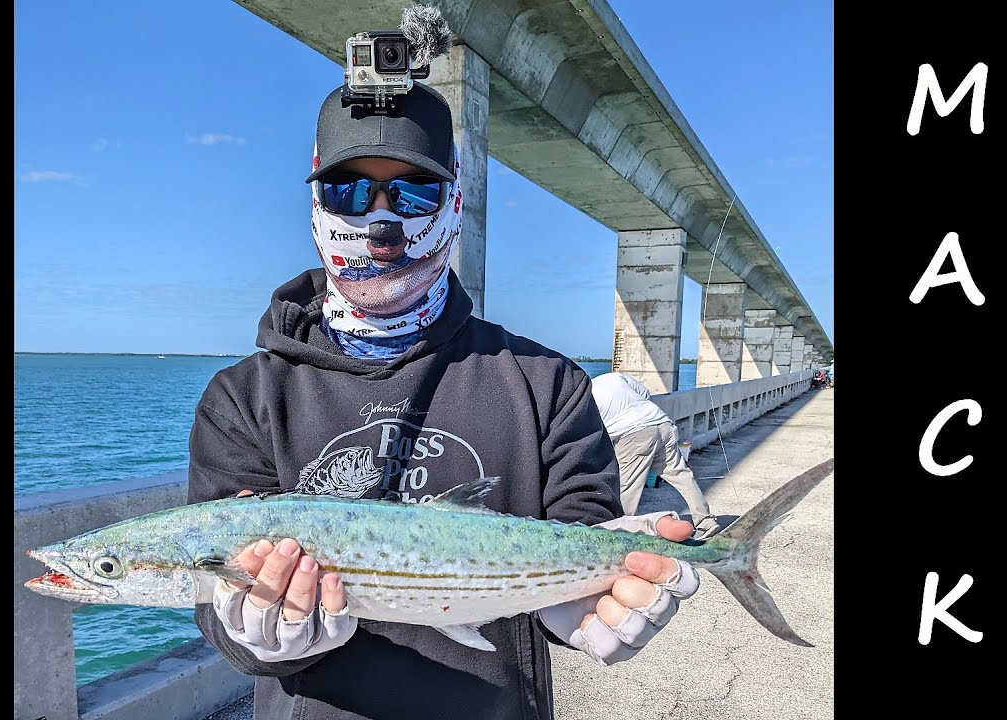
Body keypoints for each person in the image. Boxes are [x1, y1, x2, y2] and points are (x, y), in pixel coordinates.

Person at [186, 72, 702, 720]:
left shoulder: (549, 384)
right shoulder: (243, 400)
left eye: (413, 190)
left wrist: (597, 594)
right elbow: (215, 602)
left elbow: (583, 535)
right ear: (316, 208)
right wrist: (249, 627)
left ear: (453, 204)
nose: (381, 225)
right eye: (348, 192)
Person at [589, 372, 721, 540]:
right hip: (661, 422)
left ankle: (618, 535)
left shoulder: (587, 398)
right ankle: (705, 522)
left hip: (633, 434)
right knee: (682, 475)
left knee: (626, 488)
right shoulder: (614, 377)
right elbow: (645, 394)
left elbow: (597, 434)